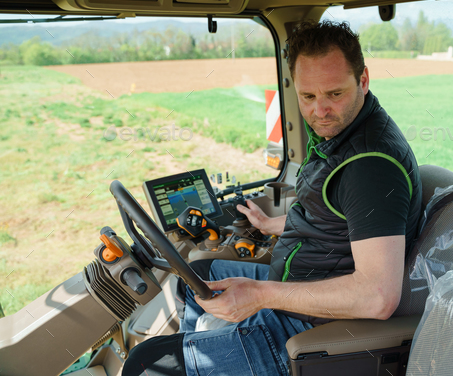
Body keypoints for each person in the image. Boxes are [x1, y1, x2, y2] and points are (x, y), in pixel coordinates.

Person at [122, 20, 422, 376]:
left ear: (364, 80)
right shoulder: (341, 135)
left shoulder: (370, 168)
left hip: (309, 327)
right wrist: (271, 224)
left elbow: (378, 296)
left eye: (335, 94)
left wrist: (262, 295)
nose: (319, 111)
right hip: (293, 289)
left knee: (147, 365)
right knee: (198, 276)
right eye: (308, 96)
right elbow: (331, 217)